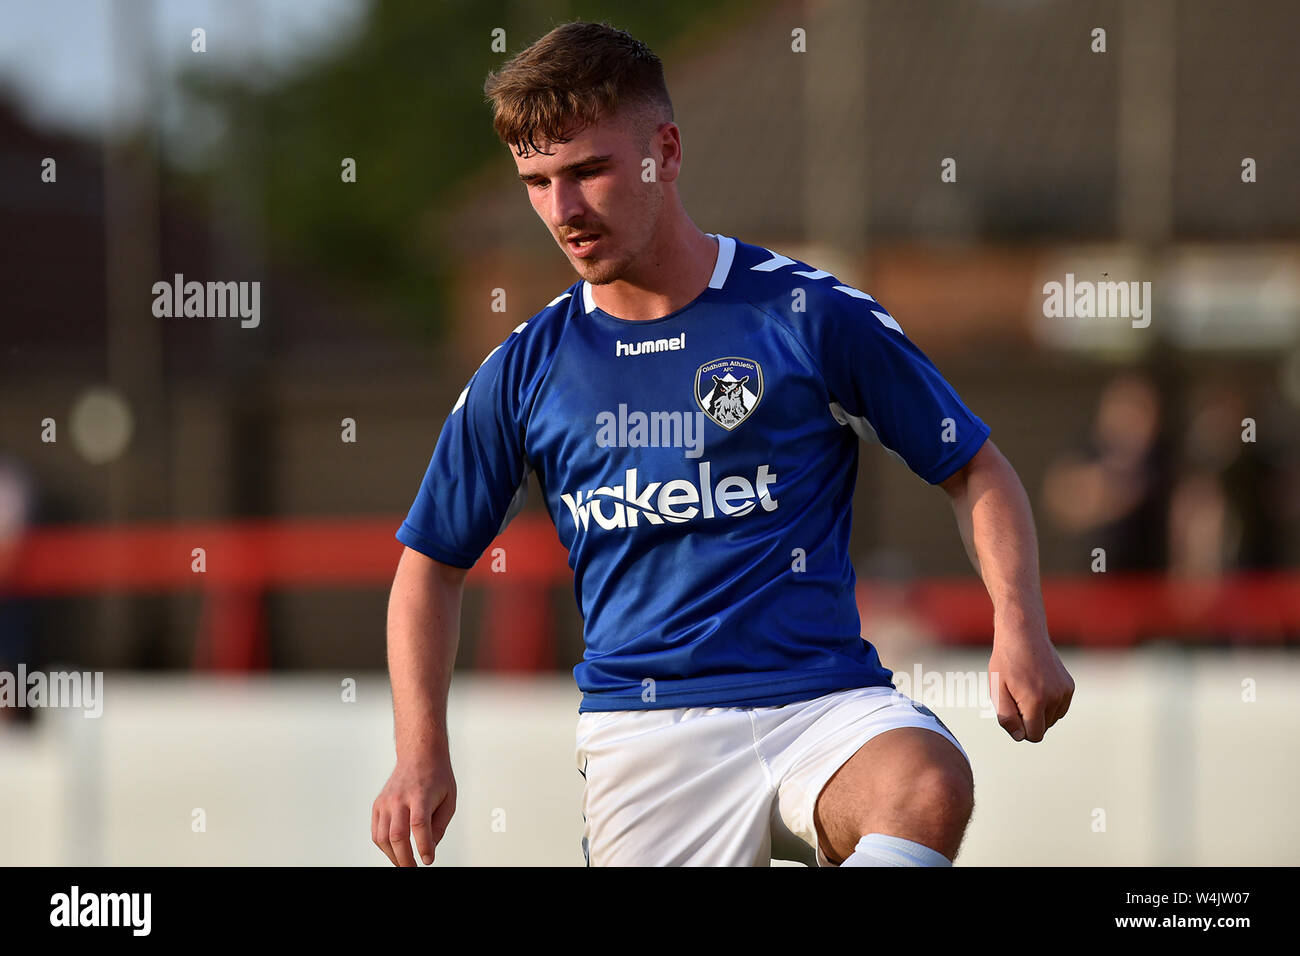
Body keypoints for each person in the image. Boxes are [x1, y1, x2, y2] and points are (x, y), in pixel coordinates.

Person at [372, 21, 1073, 867]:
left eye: (589, 170)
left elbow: (974, 469)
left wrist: (1020, 625)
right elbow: (430, 564)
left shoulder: (809, 315)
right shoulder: (525, 369)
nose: (564, 210)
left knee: (925, 782)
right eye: (538, 181)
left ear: (663, 152)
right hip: (644, 732)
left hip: (822, 702)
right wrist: (420, 753)